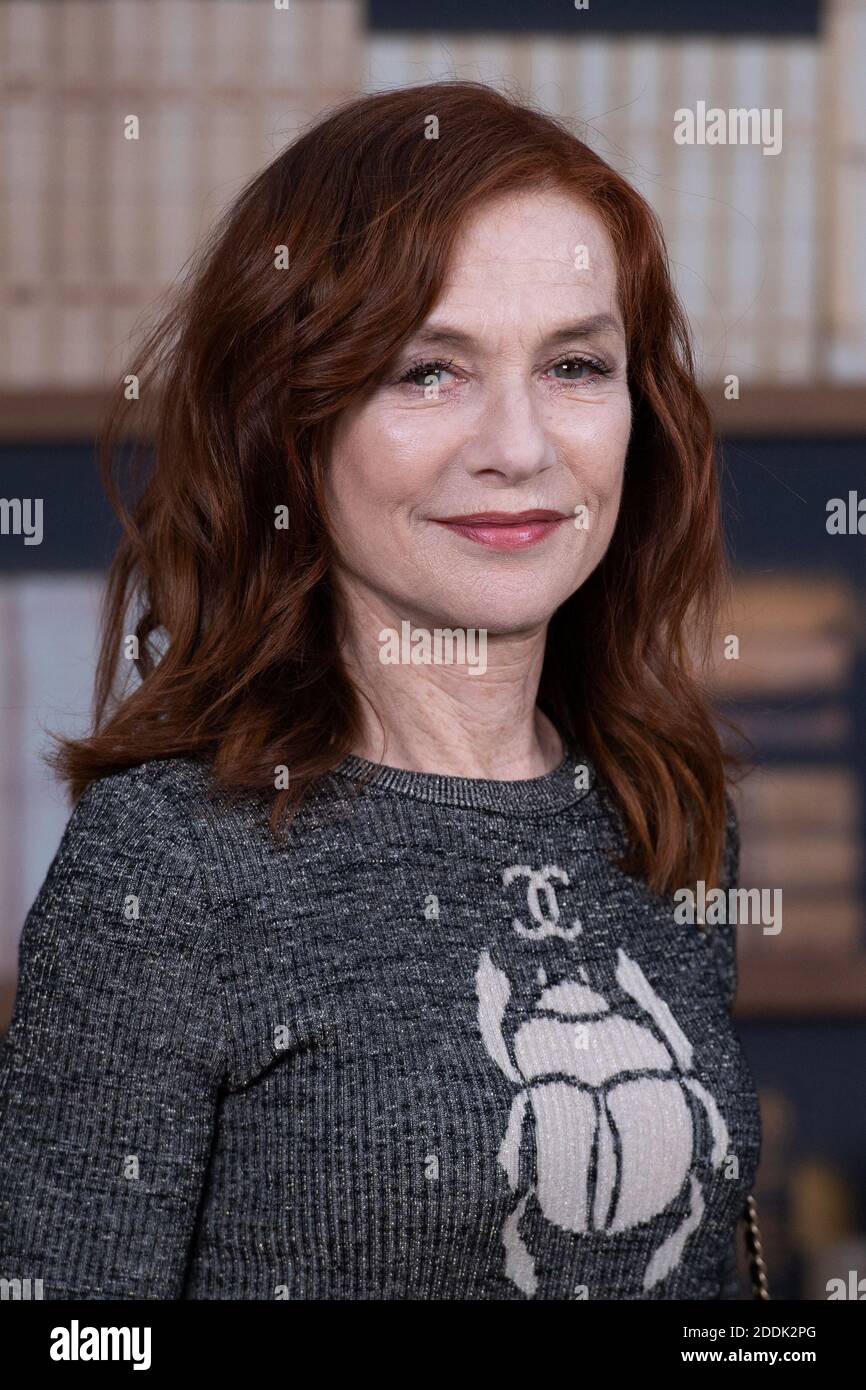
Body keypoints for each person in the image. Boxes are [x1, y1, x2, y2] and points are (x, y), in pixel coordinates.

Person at [0, 80, 761, 1300]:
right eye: (425, 372)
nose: (516, 447)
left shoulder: (663, 813)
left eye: (573, 363)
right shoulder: (169, 868)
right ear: (291, 421)